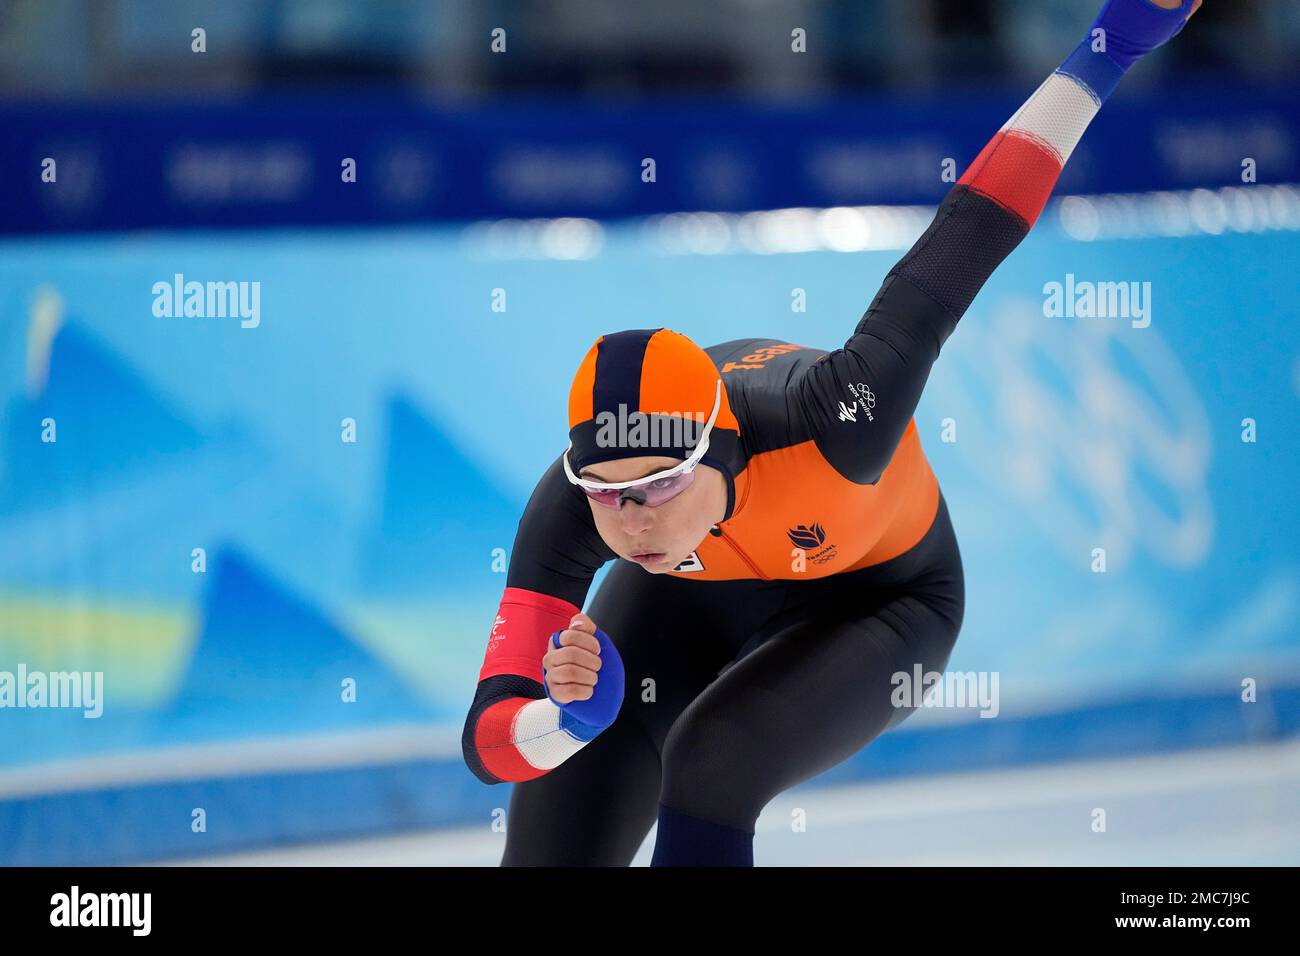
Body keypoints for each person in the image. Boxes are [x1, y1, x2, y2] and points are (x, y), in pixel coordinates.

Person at [461, 0, 1203, 866]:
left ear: (716, 447)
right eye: (610, 495)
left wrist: (1108, 49)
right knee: (555, 838)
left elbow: (967, 235)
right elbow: (486, 742)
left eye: (660, 485)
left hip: (881, 599)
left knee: (712, 760)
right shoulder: (574, 507)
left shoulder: (837, 415)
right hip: (692, 601)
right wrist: (565, 721)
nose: (633, 521)